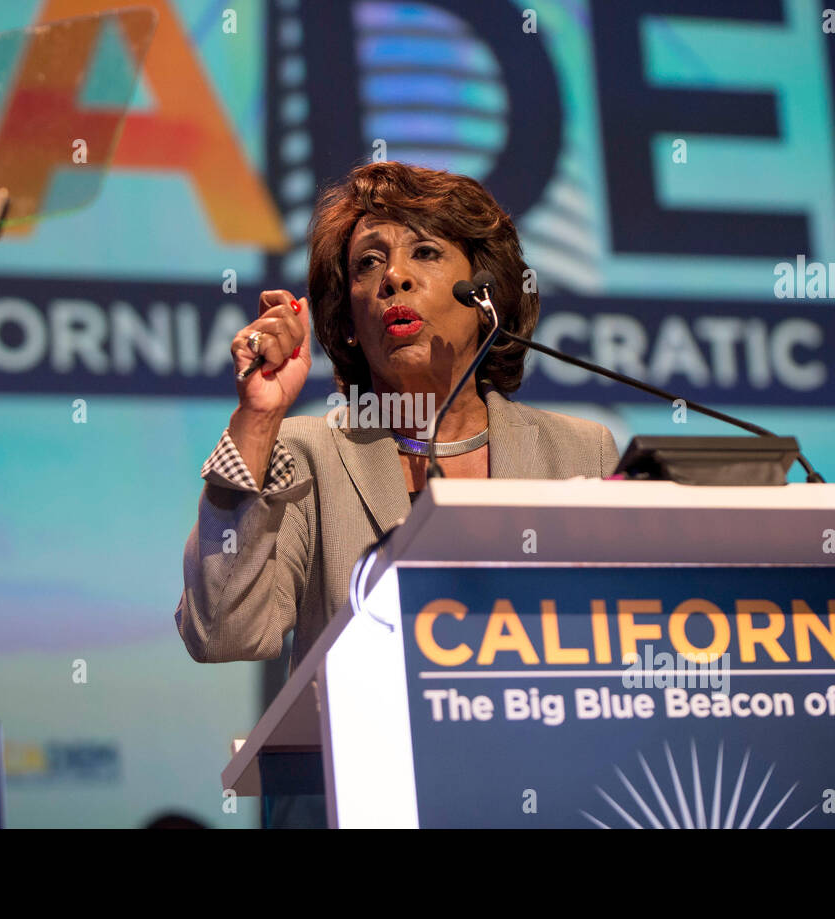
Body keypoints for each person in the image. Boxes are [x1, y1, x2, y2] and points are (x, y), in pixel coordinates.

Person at [175, 161, 618, 671]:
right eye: (368, 263)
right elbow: (224, 633)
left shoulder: (581, 452)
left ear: (484, 298)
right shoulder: (305, 456)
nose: (394, 277)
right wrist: (257, 418)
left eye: (425, 252)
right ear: (349, 323)